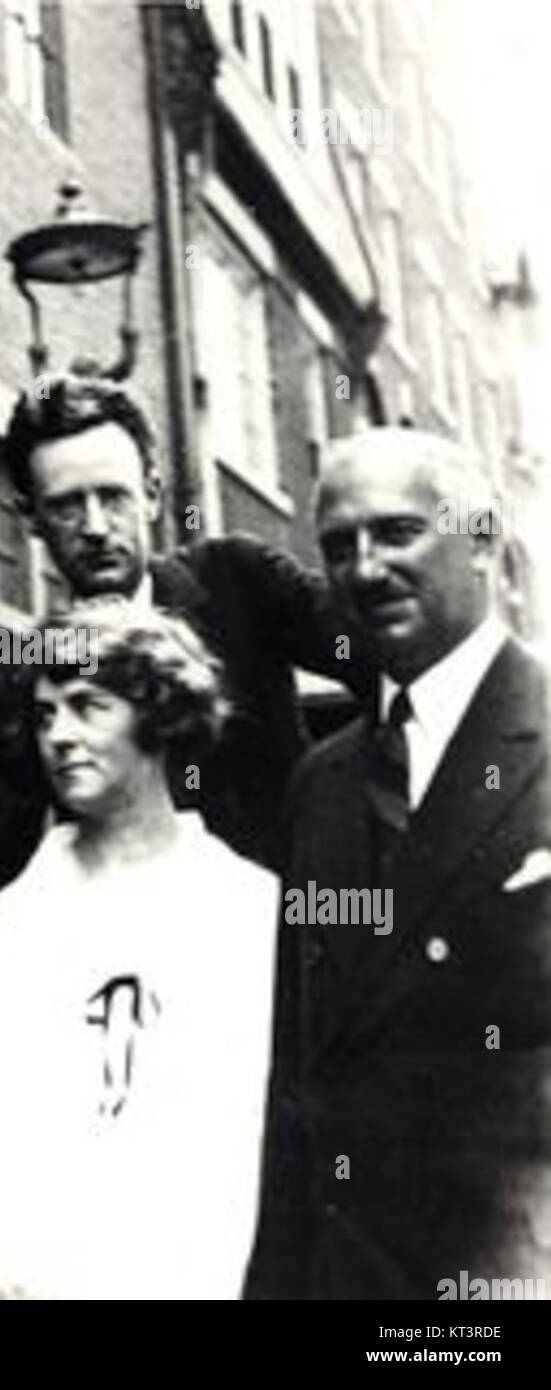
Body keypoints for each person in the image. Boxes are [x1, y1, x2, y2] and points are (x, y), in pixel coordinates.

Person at [246, 428, 551, 1300]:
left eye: (396, 532)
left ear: (482, 539)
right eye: (339, 548)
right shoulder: (322, 782)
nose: (365, 569)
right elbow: (299, 1068)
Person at [0, 373, 372, 939]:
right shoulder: (20, 679)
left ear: (154, 495)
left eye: (112, 497)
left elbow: (389, 664)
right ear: (32, 519)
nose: (94, 527)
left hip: (295, 949)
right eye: (65, 506)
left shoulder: (243, 583)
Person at [0, 604, 279, 1299]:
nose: (59, 735)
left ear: (161, 716)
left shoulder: (250, 913)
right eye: (46, 714)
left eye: (88, 705)